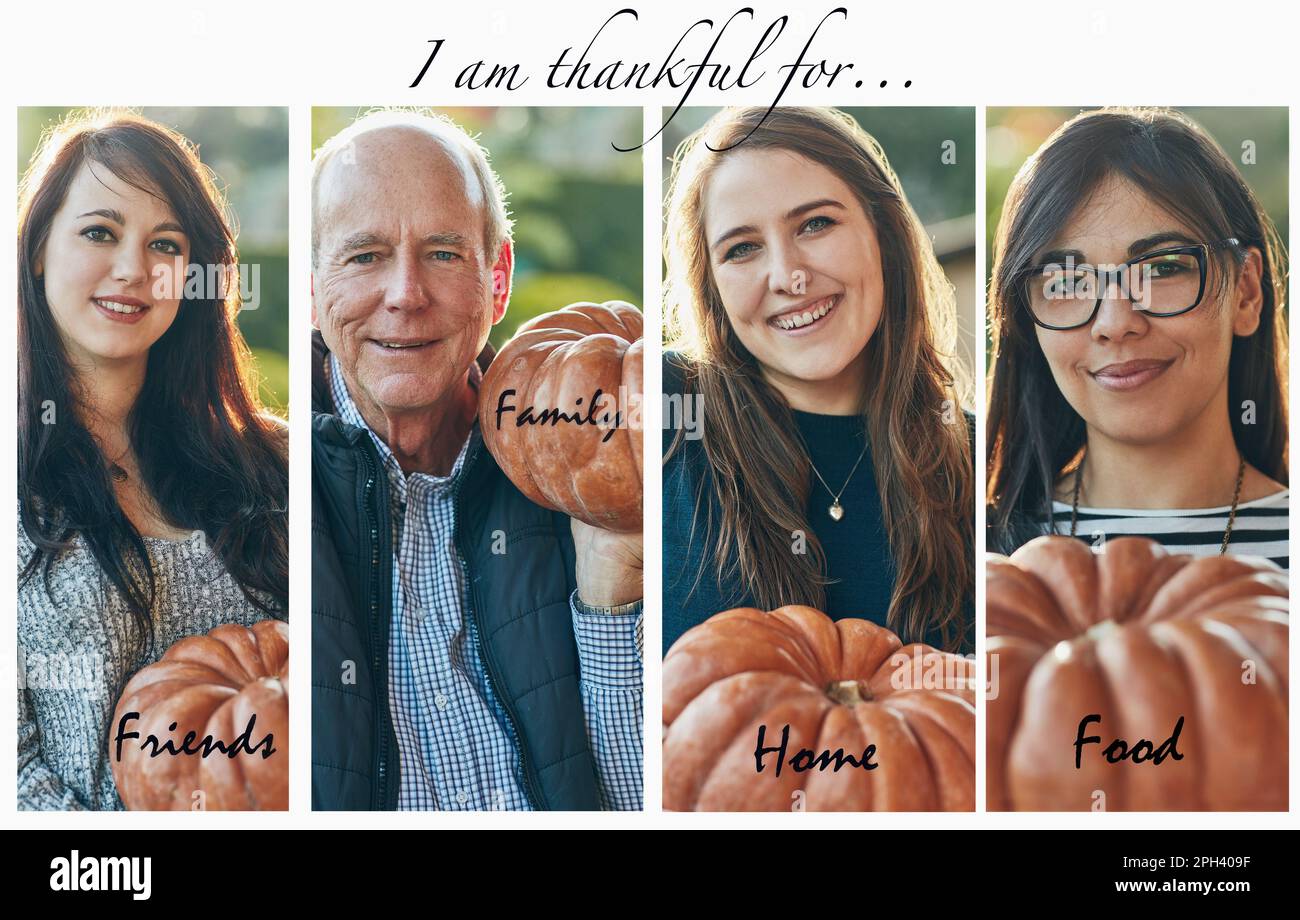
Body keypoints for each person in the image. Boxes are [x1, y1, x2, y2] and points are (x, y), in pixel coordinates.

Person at [310, 109, 643, 811]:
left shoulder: (589, 466)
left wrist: (614, 572)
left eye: (443, 252)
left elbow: (645, 797)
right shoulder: (254, 497)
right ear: (312, 292)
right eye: (364, 255)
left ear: (498, 280)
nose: (405, 294)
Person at [17, 110, 289, 810]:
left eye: (165, 245)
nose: (133, 269)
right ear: (39, 248)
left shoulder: (276, 461)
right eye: (100, 232)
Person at [662, 107, 975, 655]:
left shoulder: (977, 460)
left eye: (816, 224)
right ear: (711, 286)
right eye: (742, 248)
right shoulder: (664, 413)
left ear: (884, 232)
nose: (788, 276)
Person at [987, 108, 1288, 568]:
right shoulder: (981, 552)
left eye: (1163, 267)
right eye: (1066, 281)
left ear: (1246, 293)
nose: (1114, 321)